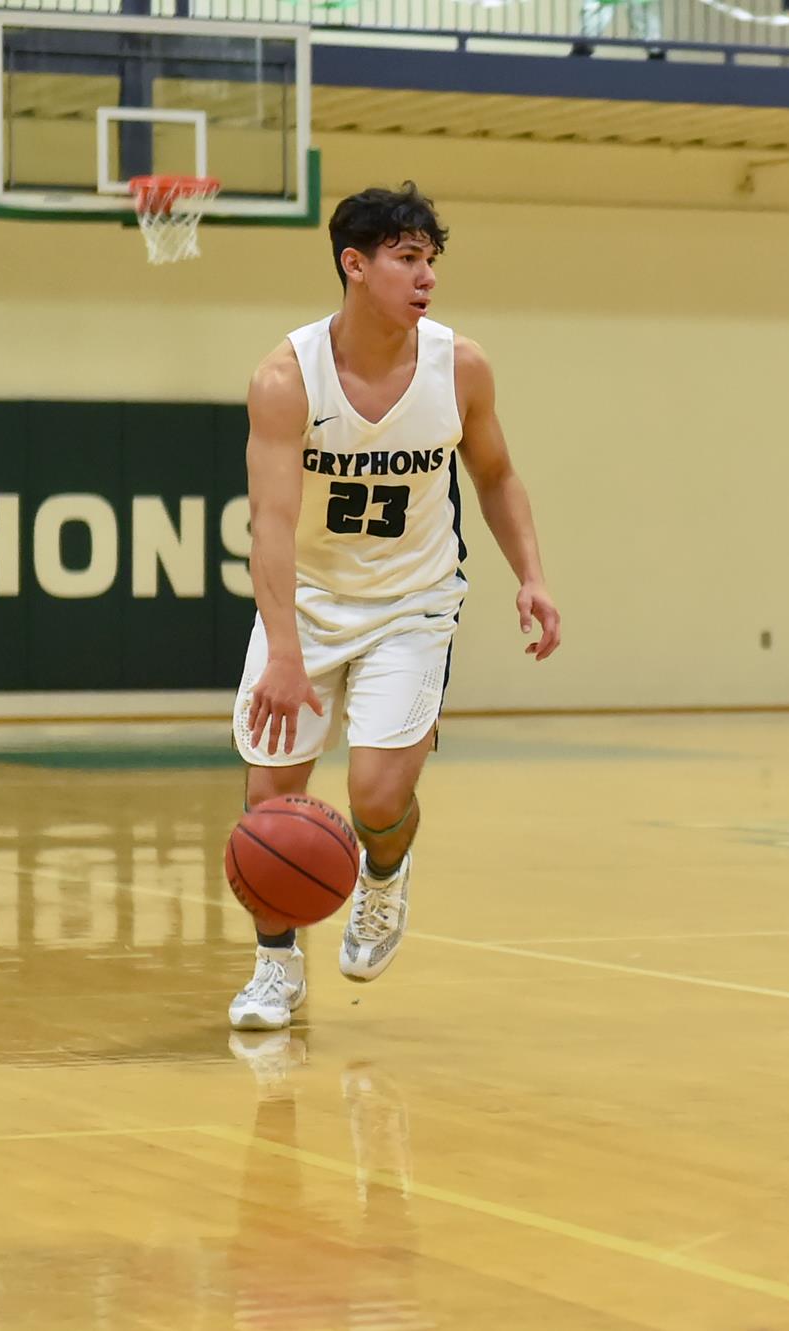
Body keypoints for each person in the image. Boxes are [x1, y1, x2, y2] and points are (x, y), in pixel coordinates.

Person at [228, 183, 563, 1031]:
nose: (426, 279)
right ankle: (275, 966)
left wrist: (532, 575)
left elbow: (495, 474)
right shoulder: (285, 377)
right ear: (355, 264)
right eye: (407, 260)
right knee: (271, 797)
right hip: (303, 599)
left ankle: (383, 876)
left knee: (376, 795)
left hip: (413, 601)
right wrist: (283, 653)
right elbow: (268, 526)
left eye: (430, 261)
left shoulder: (462, 366)